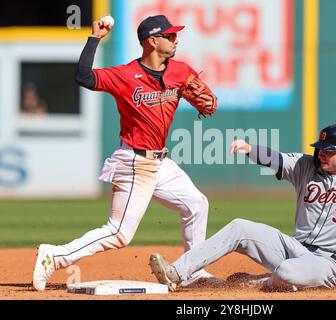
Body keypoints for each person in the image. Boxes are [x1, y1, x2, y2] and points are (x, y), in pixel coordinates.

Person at [32, 15, 220, 291]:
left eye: (175, 35)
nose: (175, 39)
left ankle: (193, 269)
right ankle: (55, 256)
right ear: (152, 41)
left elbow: (207, 100)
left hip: (160, 161)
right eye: (169, 36)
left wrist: (205, 101)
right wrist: (94, 38)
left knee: (197, 205)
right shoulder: (124, 75)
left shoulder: (180, 72)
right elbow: (83, 76)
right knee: (119, 233)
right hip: (134, 161)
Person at [149, 124, 336, 292]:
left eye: (328, 150)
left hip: (326, 264)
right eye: (320, 147)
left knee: (287, 273)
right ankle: (178, 273)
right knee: (239, 227)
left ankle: (261, 283)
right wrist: (249, 148)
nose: (321, 153)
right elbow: (277, 159)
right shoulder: (307, 165)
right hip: (293, 247)